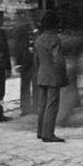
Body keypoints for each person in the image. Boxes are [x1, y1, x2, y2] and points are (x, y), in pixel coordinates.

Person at [34, 10, 67, 142]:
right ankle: (48, 133)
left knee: (42, 104)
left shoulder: (39, 39)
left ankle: (40, 131)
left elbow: (36, 59)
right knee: (52, 105)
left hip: (42, 73)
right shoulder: (54, 39)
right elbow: (58, 59)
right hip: (53, 75)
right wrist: (62, 74)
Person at [14, 12, 40, 116]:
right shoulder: (21, 30)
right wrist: (18, 63)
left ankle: (36, 107)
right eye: (29, 16)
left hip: (36, 62)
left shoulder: (39, 30)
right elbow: (18, 47)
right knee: (25, 85)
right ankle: (25, 108)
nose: (30, 19)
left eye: (32, 16)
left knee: (36, 85)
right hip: (25, 61)